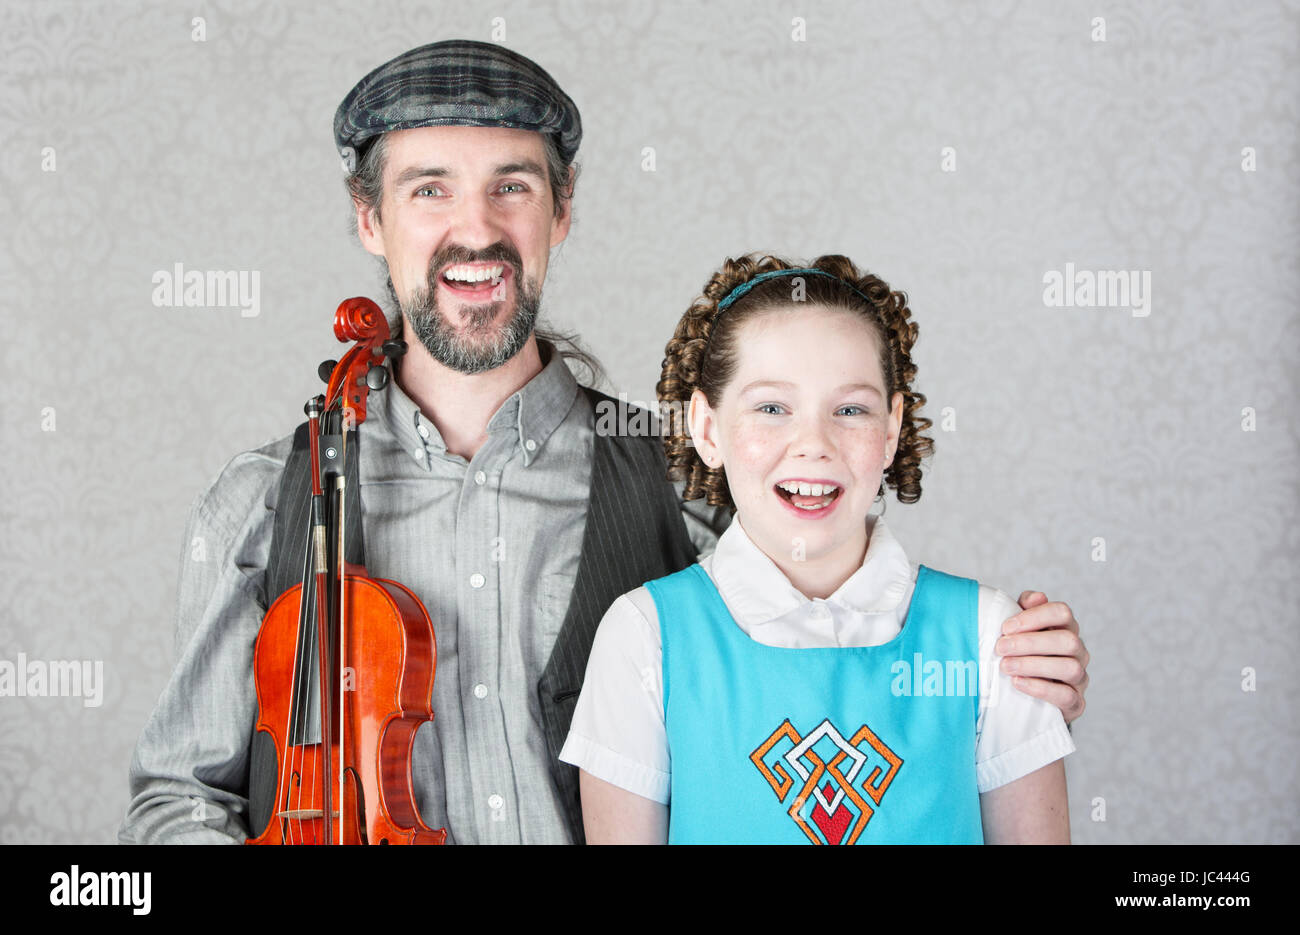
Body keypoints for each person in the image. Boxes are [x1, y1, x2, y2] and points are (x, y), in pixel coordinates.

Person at [120, 40, 1089, 845]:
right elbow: (177, 796)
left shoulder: (680, 477)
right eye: (429, 191)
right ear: (370, 218)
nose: (476, 228)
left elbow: (841, 659)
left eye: (512, 187)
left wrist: (992, 667)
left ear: (561, 212)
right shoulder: (264, 502)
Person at [562, 254, 1074, 844]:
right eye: (772, 408)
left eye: (850, 410)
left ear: (891, 431)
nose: (814, 444)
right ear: (706, 429)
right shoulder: (644, 636)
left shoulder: (990, 636)